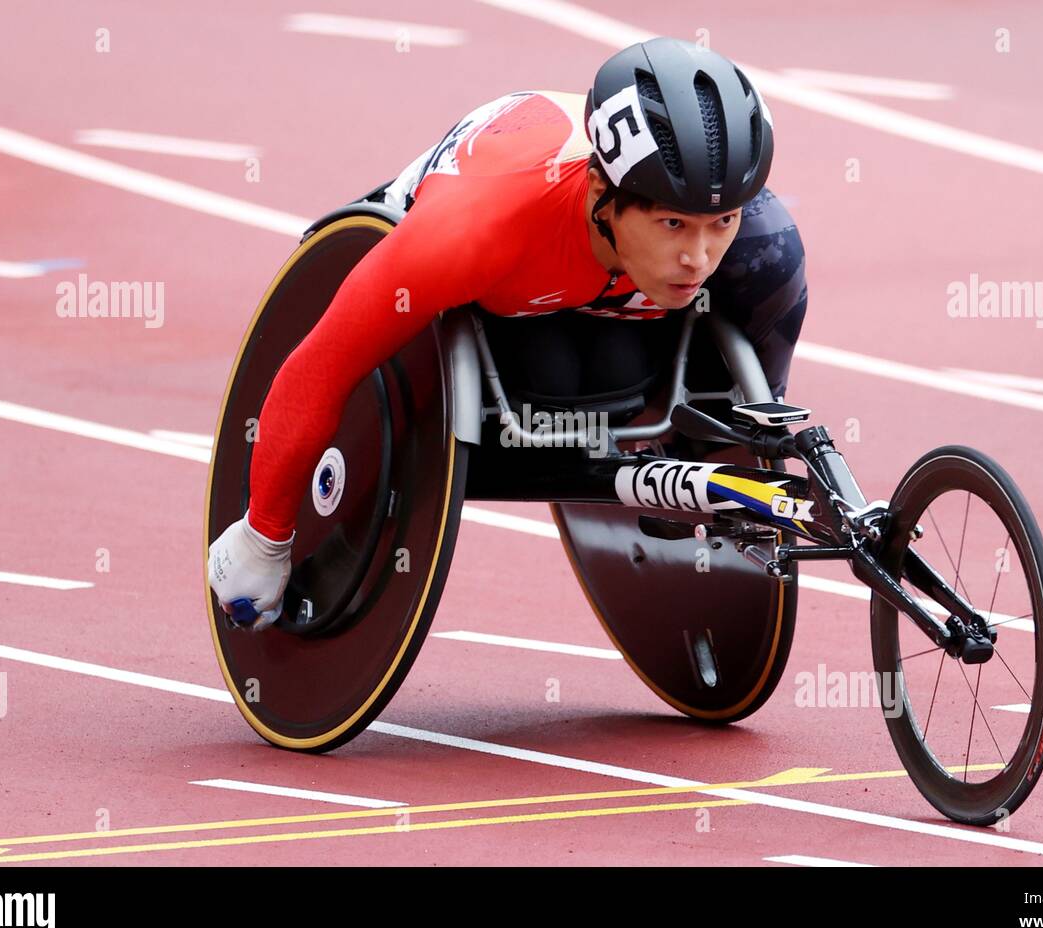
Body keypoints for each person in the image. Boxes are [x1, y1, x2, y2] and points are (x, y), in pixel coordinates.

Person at [207, 36, 808, 629]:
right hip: (492, 282)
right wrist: (264, 539)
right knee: (550, 368)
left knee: (755, 275)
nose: (699, 258)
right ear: (603, 194)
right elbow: (320, 368)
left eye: (720, 222)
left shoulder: (755, 244)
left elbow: (749, 387)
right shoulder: (472, 231)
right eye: (673, 225)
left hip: (597, 312)